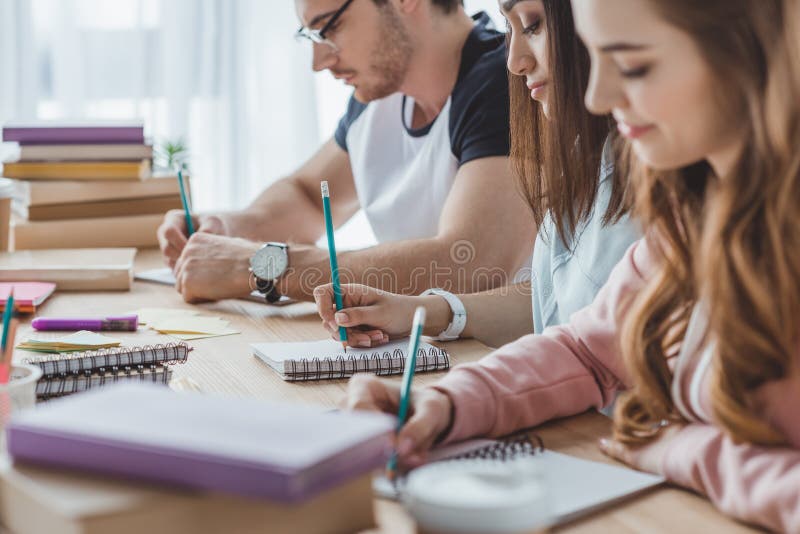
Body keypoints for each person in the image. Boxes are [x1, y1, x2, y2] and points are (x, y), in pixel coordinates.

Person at [343, 0, 800, 531]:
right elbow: (589, 350)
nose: (597, 95)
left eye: (633, 65)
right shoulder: (693, 210)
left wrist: (687, 450)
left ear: (747, 50)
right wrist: (449, 403)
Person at [157, 0, 535, 303]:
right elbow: (308, 197)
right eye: (311, 36)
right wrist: (225, 230)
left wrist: (261, 266)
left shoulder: (506, 82)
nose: (318, 61)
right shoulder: (382, 94)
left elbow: (471, 265)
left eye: (330, 27)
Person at [314, 0, 640, 350]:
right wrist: (419, 312)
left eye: (532, 24)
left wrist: (281, 269)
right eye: (510, 28)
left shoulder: (492, 85)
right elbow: (556, 305)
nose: (514, 62)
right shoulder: (590, 154)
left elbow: (471, 260)